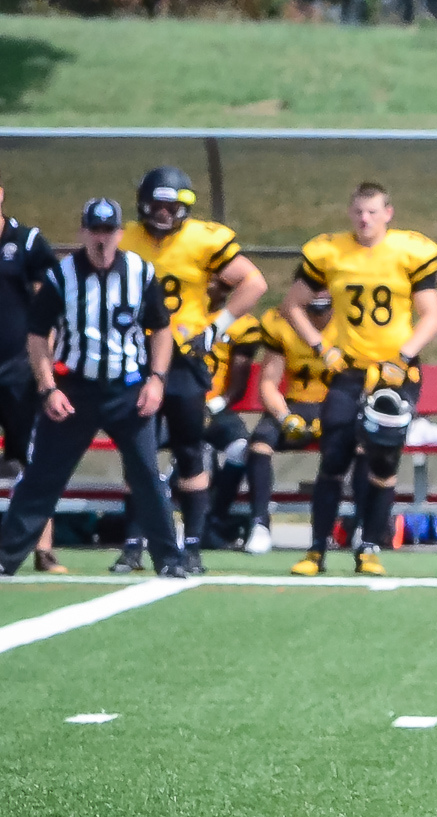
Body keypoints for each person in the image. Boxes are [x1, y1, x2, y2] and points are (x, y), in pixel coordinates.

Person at [0, 199, 184, 578]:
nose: (101, 239)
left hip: (128, 389)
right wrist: (49, 388)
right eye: (95, 230)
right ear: (82, 231)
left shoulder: (140, 271)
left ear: (120, 232)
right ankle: (6, 558)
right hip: (75, 389)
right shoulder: (60, 276)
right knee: (43, 474)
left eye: (108, 230)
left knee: (147, 475)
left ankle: (169, 559)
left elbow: (161, 329)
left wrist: (157, 380)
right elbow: (36, 337)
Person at [281, 181, 437, 577]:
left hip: (395, 373)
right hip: (348, 368)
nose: (364, 219)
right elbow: (292, 304)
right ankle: (317, 549)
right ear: (350, 213)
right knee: (333, 455)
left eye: (372, 212)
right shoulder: (331, 252)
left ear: (388, 213)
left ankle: (369, 546)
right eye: (358, 212)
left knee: (384, 457)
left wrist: (403, 357)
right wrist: (322, 348)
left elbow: (432, 316)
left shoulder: (408, 252)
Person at [118, 166, 268, 575]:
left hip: (184, 356)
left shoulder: (203, 239)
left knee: (189, 451)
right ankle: (133, 544)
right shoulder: (125, 237)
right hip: (134, 355)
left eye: (173, 206)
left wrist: (215, 327)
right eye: (158, 204)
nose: (164, 213)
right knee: (138, 454)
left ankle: (193, 545)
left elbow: (253, 283)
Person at [217, 292, 335, 554]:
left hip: (336, 404)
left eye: (324, 310)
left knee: (358, 445)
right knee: (260, 439)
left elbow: (359, 380)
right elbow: (268, 383)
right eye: (312, 310)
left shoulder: (349, 326)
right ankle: (260, 524)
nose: (318, 318)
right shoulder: (282, 324)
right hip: (295, 404)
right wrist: (285, 416)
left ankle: (356, 526)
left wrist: (333, 417)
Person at [0, 180, 63, 572]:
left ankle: (43, 548)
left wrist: (45, 367)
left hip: (18, 371)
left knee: (32, 461)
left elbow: (48, 307)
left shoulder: (26, 241)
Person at [198, 280, 267, 549]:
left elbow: (236, 388)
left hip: (214, 406)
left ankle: (214, 518)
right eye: (210, 279)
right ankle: (155, 524)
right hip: (174, 403)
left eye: (222, 282)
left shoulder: (241, 325)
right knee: (193, 451)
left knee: (240, 448)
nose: (214, 287)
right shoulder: (177, 316)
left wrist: (213, 406)